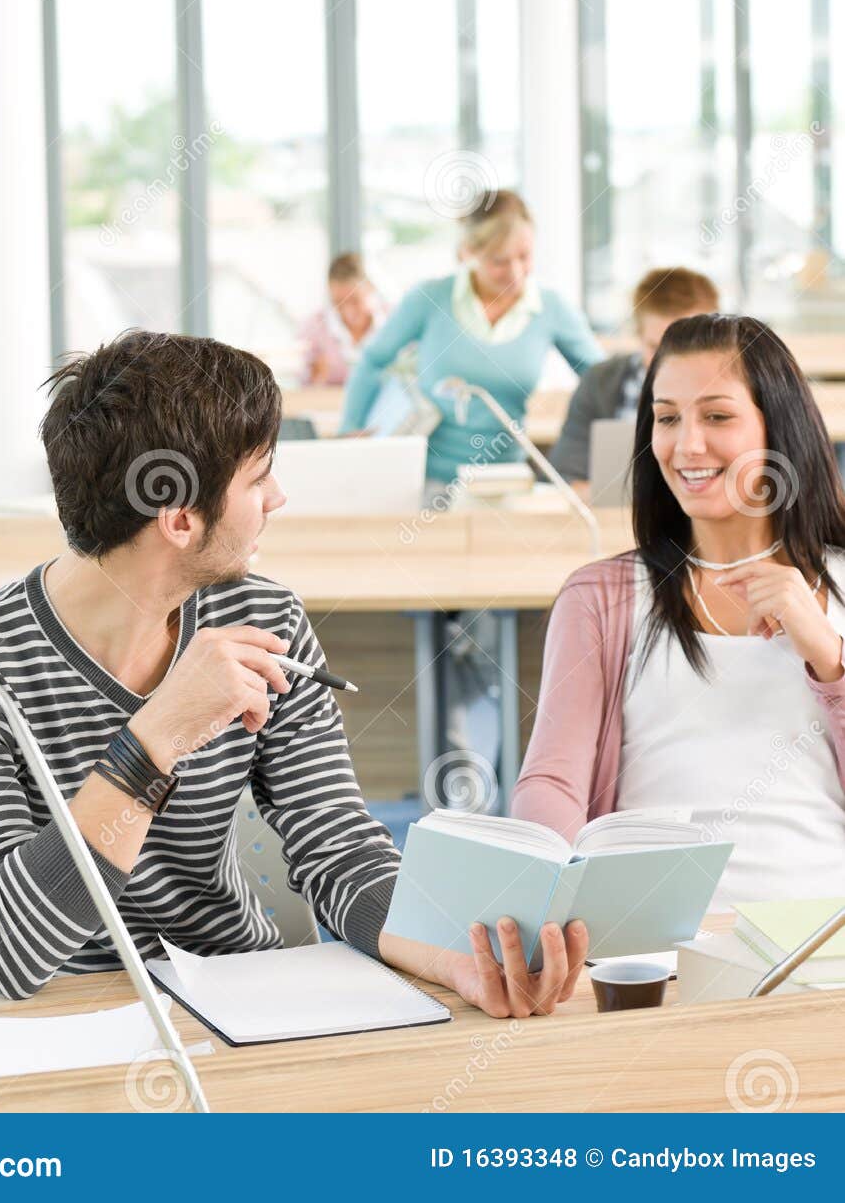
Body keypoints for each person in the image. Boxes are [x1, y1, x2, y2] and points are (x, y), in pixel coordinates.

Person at [0, 329, 586, 1016]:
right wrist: (156, 738)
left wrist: (451, 958)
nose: (277, 497)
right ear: (180, 518)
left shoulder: (264, 618)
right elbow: (2, 948)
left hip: (243, 997)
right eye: (258, 478)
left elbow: (337, 848)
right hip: (62, 1017)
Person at [513, 313, 845, 906]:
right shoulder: (602, 598)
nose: (687, 445)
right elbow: (553, 783)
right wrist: (549, 908)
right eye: (667, 418)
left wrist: (828, 658)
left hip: (823, 932)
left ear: (779, 428)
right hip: (649, 936)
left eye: (717, 416)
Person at [340, 190, 601, 485]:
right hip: (426, 478)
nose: (515, 273)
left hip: (508, 479)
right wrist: (351, 427)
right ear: (469, 252)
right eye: (499, 261)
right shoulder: (430, 298)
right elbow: (372, 360)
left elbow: (603, 380)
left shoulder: (551, 309)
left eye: (524, 256)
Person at [550, 266, 719, 493]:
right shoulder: (599, 381)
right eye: (655, 347)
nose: (668, 363)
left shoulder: (739, 385)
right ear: (638, 336)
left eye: (685, 346)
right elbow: (565, 475)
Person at [298, 252, 387, 386]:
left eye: (355, 300)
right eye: (338, 302)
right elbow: (302, 388)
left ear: (371, 289)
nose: (347, 312)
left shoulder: (394, 321)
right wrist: (314, 378)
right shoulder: (313, 327)